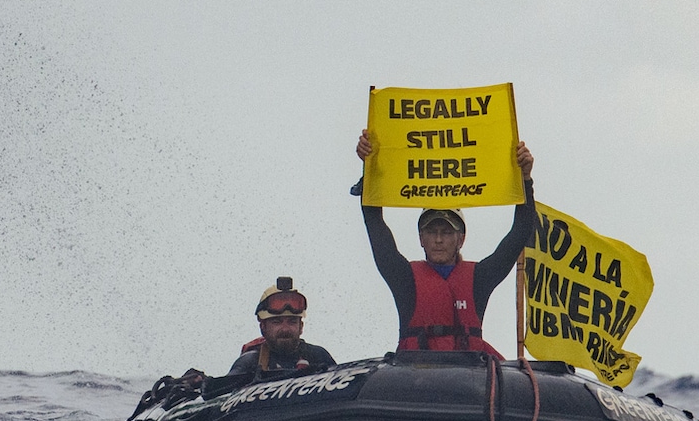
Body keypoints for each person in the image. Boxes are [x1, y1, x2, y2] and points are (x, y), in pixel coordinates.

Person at [354, 129, 537, 356]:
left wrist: (525, 179)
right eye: (431, 232)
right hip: (416, 380)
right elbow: (375, 224)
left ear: (461, 239)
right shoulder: (404, 278)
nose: (439, 239)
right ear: (421, 238)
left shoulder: (479, 278)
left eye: (447, 232)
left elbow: (519, 233)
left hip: (471, 380)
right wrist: (369, 166)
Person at [222, 276, 337, 383]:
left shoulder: (319, 357)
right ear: (263, 327)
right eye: (277, 322)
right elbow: (221, 392)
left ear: (301, 327)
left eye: (292, 322)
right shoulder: (250, 363)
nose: (285, 329)